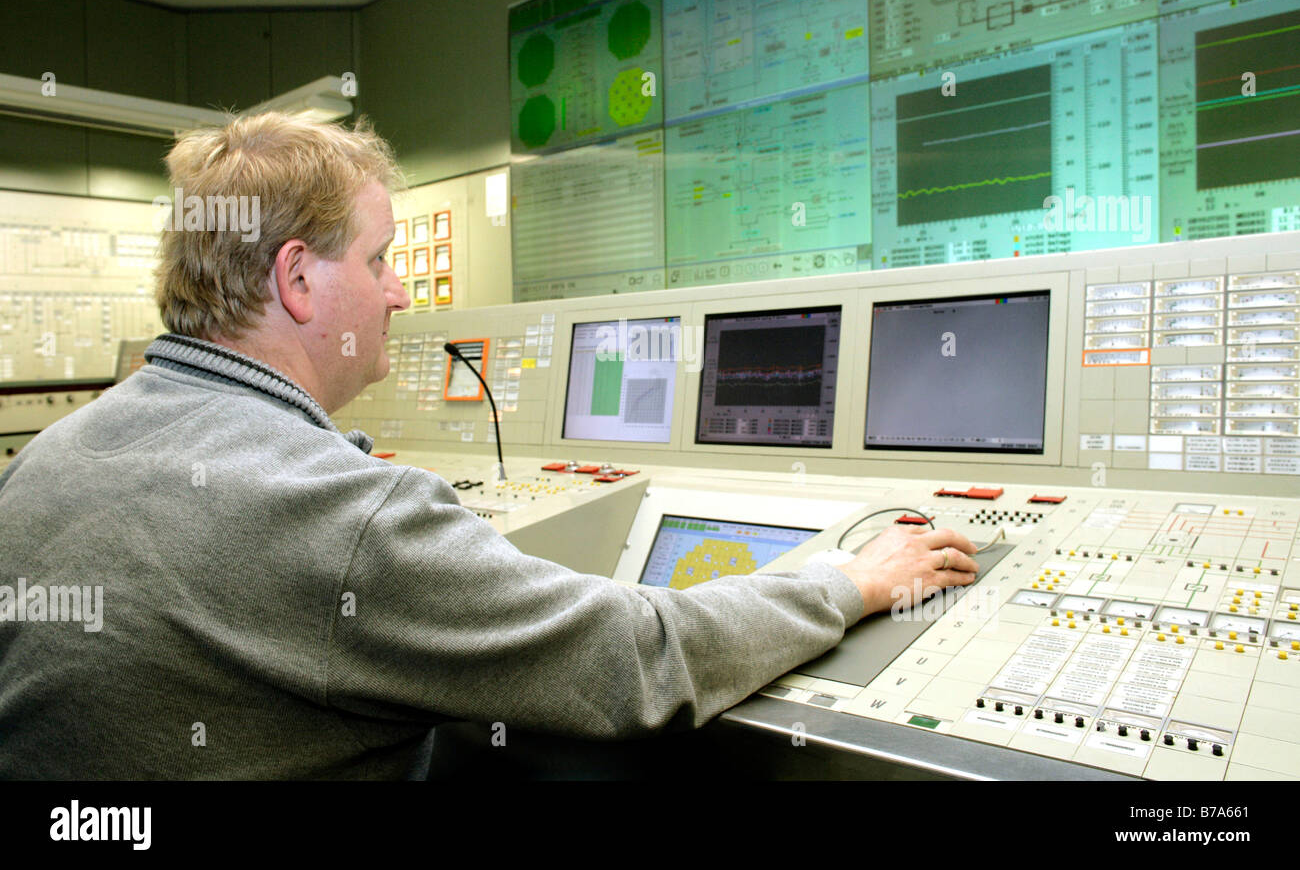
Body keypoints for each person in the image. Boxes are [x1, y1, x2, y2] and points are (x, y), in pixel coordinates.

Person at [0, 112, 979, 779]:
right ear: (297, 280)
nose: (398, 292)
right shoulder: (342, 513)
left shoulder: (54, 453)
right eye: (380, 260)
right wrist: (854, 580)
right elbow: (638, 658)